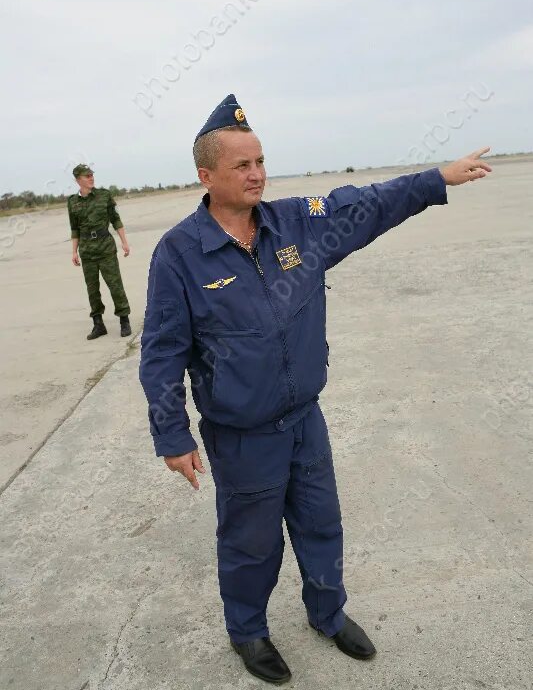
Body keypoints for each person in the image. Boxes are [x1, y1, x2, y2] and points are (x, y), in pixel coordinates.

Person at [139, 94, 491, 684]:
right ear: (206, 176)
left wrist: (436, 178)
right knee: (251, 545)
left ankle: (328, 614)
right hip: (242, 434)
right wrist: (171, 435)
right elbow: (162, 353)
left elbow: (370, 203)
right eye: (241, 166)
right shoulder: (179, 254)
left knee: (321, 523)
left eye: (260, 161)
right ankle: (248, 633)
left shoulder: (297, 222)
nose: (256, 174)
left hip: (305, 419)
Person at [68, 164, 132, 340]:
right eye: (87, 176)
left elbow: (116, 220)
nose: (91, 178)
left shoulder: (104, 196)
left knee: (115, 285)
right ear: (78, 180)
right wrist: (74, 251)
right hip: (87, 251)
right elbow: (74, 229)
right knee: (92, 290)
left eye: (91, 175)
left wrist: (124, 242)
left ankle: (124, 320)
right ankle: (98, 324)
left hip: (105, 249)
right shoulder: (72, 201)